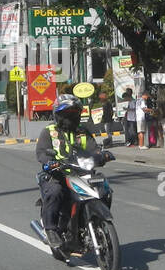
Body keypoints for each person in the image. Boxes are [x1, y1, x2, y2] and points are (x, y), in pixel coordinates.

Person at [35, 95, 111, 255]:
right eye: (67, 113)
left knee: (104, 189)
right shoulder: (49, 132)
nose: (71, 116)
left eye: (74, 113)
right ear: (58, 114)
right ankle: (50, 230)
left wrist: (102, 155)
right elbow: (42, 152)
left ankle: (96, 222)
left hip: (82, 174)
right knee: (55, 192)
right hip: (58, 175)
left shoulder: (83, 132)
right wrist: (50, 162)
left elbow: (93, 150)